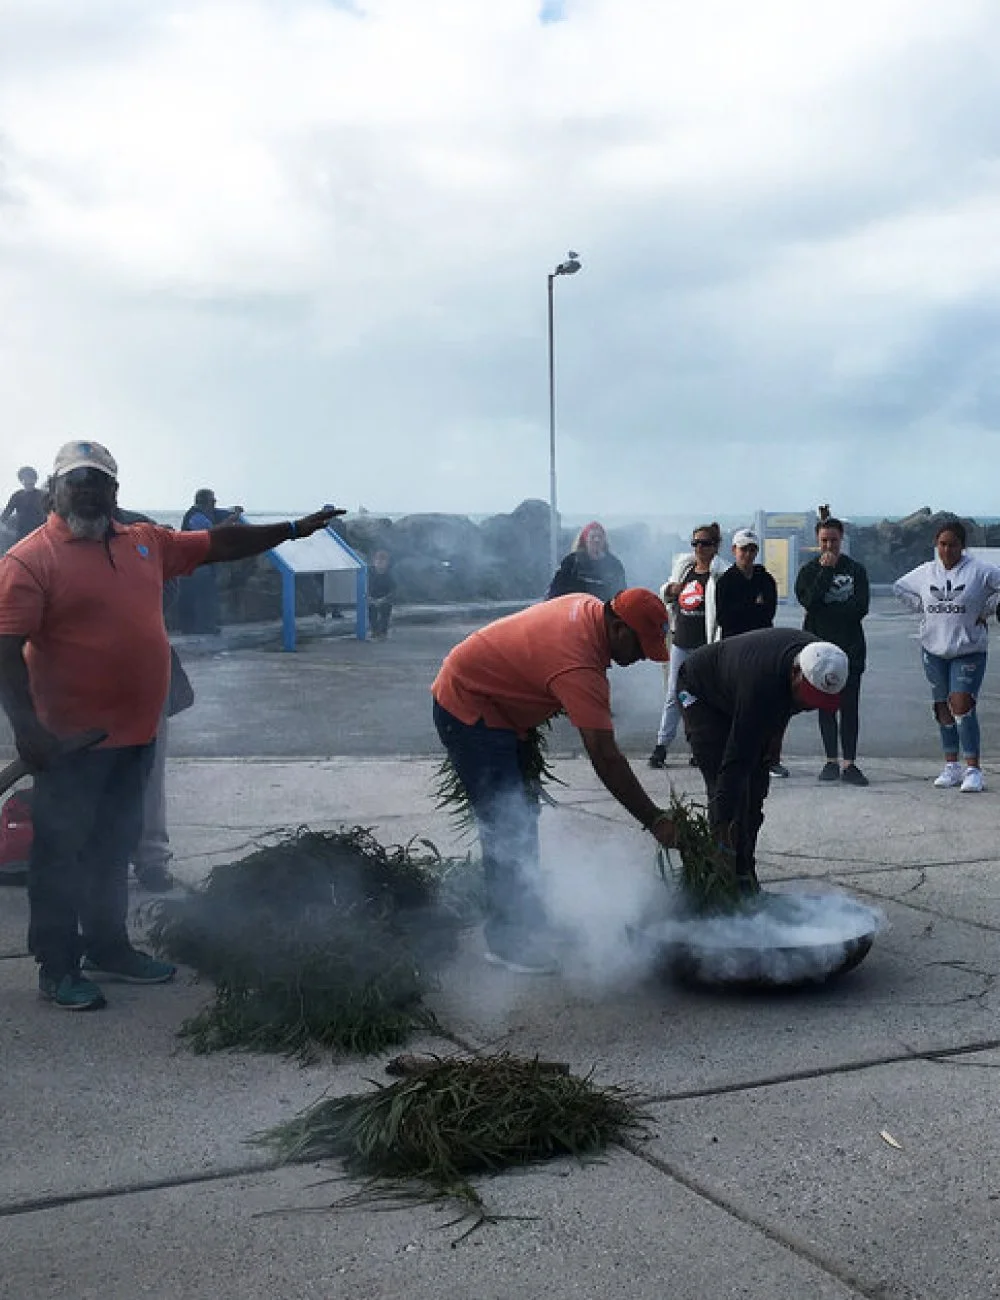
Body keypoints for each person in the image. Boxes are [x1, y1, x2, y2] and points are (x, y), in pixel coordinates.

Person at [0, 439, 342, 1010]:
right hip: (69, 744)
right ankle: (56, 965)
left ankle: (108, 947)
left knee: (113, 848)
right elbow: (5, 651)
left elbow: (218, 543)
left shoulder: (146, 543)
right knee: (61, 854)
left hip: (134, 735)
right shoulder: (31, 560)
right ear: (52, 494)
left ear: (115, 491)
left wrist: (292, 529)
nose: (87, 489)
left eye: (98, 481)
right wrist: (28, 731)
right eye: (75, 481)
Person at [432, 589, 678, 974]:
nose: (640, 658)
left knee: (520, 817)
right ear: (617, 627)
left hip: (495, 704)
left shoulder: (586, 605)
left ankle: (526, 917)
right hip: (470, 707)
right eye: (640, 646)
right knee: (505, 824)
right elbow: (605, 757)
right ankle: (509, 940)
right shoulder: (578, 666)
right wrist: (655, 819)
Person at [678, 630, 849, 890]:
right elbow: (735, 764)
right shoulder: (761, 686)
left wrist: (776, 736)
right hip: (700, 692)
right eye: (808, 696)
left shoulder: (819, 656)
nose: (809, 706)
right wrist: (724, 827)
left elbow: (788, 705)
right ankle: (719, 871)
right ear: (796, 673)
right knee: (725, 784)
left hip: (740, 691)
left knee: (756, 788)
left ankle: (744, 871)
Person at [893, 519, 1000, 793]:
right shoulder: (927, 572)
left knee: (961, 703)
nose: (947, 550)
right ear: (936, 545)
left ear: (962, 546)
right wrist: (921, 608)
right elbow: (899, 587)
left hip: (968, 650)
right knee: (942, 706)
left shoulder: (980, 571)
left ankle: (973, 768)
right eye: (942, 544)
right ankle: (951, 764)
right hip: (933, 650)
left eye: (953, 545)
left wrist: (987, 609)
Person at [795, 513, 871, 786]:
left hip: (850, 647)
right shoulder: (809, 571)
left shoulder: (856, 570)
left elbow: (860, 608)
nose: (829, 546)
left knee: (849, 707)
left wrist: (830, 610)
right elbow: (809, 602)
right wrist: (826, 572)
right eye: (824, 540)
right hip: (819, 650)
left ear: (842, 540)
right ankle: (831, 760)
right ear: (817, 540)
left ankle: (850, 762)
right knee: (826, 706)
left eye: (834, 540)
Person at [648, 521, 726, 769]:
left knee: (704, 698)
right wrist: (669, 589)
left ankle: (701, 747)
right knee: (674, 694)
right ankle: (661, 746)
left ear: (715, 546)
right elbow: (668, 593)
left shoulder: (720, 574)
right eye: (695, 543)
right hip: (681, 641)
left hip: (705, 645)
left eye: (705, 543)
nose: (699, 548)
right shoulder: (685, 569)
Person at [714, 528, 787, 778]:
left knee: (765, 705)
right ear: (734, 550)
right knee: (734, 706)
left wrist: (746, 609)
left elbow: (768, 613)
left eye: (752, 549)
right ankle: (732, 757)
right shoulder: (725, 581)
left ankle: (769, 759)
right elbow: (725, 618)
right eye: (743, 549)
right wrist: (752, 607)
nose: (748, 554)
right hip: (734, 650)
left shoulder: (765, 580)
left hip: (762, 650)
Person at [177, 489, 244, 634]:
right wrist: (230, 520)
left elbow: (221, 514)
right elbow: (210, 533)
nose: (214, 503)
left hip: (200, 562)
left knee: (204, 595)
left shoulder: (207, 513)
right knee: (202, 595)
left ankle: (201, 627)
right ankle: (201, 627)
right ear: (206, 501)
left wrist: (233, 512)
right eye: (212, 500)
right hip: (195, 564)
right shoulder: (195, 517)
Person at [545, 521, 627, 602]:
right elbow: (555, 590)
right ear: (585, 540)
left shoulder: (614, 565)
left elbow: (620, 594)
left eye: (600, 537)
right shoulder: (571, 562)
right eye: (593, 537)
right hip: (575, 610)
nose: (596, 540)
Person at [1, 467, 46, 543]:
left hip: (40, 532)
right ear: (21, 480)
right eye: (25, 478)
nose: (28, 481)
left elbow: (51, 513)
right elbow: (6, 514)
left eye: (31, 478)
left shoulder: (42, 495)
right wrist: (5, 529)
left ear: (35, 480)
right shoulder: (17, 495)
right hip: (22, 534)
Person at [367, 548, 396, 640]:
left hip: (385, 599)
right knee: (371, 611)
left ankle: (383, 632)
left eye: (383, 561)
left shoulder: (390, 575)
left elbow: (393, 590)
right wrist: (370, 598)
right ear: (374, 561)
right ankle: (374, 631)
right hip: (371, 598)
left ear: (387, 563)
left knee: (385, 611)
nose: (380, 563)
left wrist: (383, 599)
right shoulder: (369, 573)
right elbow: (364, 587)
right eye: (378, 560)